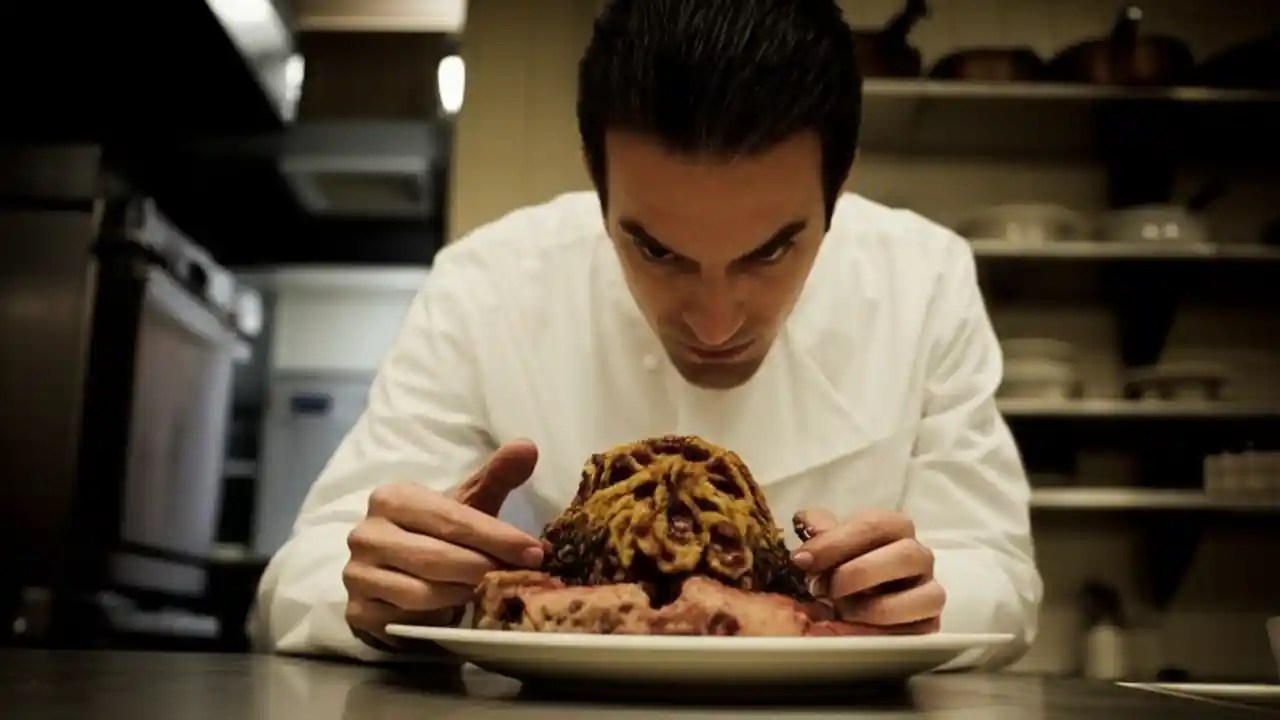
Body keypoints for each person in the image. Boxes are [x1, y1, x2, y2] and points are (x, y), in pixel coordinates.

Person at [252, 0, 1042, 667]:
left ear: (842, 181)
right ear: (597, 187)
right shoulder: (490, 283)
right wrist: (390, 590)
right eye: (655, 249)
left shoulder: (924, 277)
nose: (715, 321)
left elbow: (999, 576)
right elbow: (304, 577)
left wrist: (912, 597)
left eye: (770, 250)